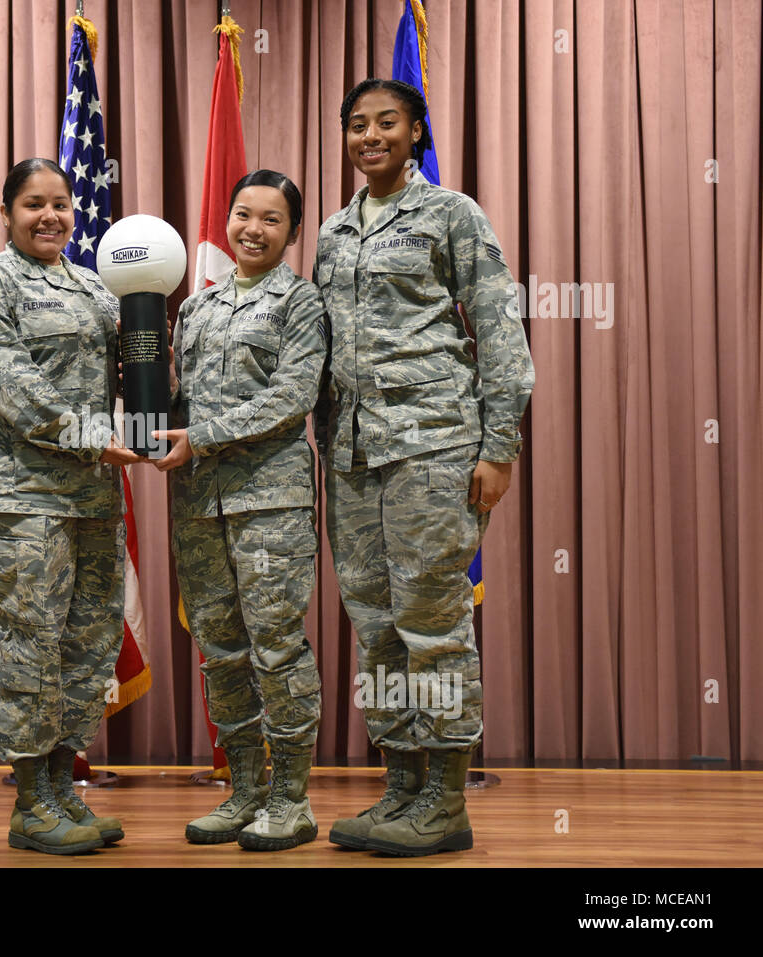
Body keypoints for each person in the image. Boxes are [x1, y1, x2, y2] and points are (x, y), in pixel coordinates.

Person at [314, 78, 534, 856]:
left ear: (415, 133)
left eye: (386, 123)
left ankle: (445, 797)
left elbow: (501, 328)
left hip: (435, 448)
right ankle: (400, 785)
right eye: (356, 125)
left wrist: (499, 446)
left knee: (433, 625)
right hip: (353, 456)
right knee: (375, 630)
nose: (370, 136)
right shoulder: (334, 233)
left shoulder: (451, 213)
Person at [0, 158, 141, 855]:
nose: (51, 217)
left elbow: (132, 376)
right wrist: (97, 436)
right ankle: (30, 799)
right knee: (32, 644)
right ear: (6, 211)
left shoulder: (97, 289)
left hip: (93, 497)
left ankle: (64, 784)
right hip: (21, 494)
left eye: (61, 204)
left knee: (87, 644)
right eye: (34, 204)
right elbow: (10, 384)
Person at [153, 170, 327, 852]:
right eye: (244, 214)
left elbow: (294, 394)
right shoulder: (195, 308)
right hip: (199, 504)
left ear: (292, 232)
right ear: (227, 220)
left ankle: (291, 797)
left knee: (277, 646)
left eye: (272, 219)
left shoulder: (301, 303)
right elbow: (176, 401)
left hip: (270, 502)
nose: (253, 229)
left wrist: (204, 436)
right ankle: (246, 788)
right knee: (220, 651)